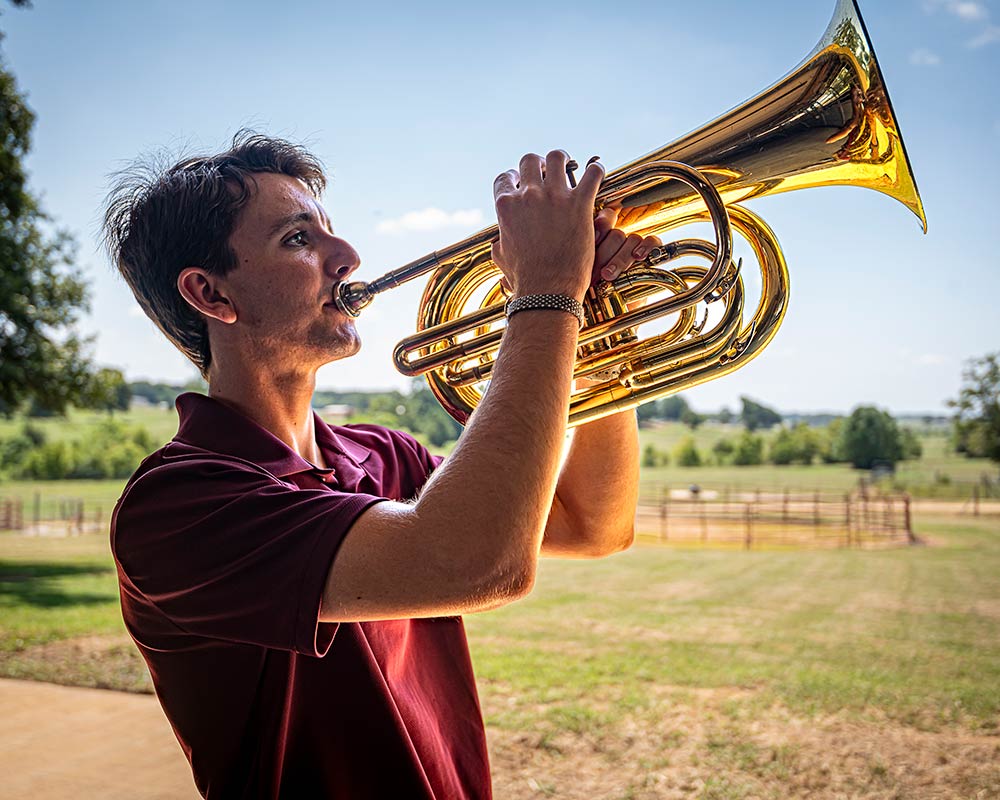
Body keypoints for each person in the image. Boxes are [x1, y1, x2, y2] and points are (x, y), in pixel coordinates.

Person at [104, 132, 656, 799]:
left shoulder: (382, 454)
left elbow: (595, 525)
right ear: (211, 294)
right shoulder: (179, 503)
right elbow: (480, 563)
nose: (348, 256)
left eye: (330, 231)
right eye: (299, 240)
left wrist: (596, 322)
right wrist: (546, 292)